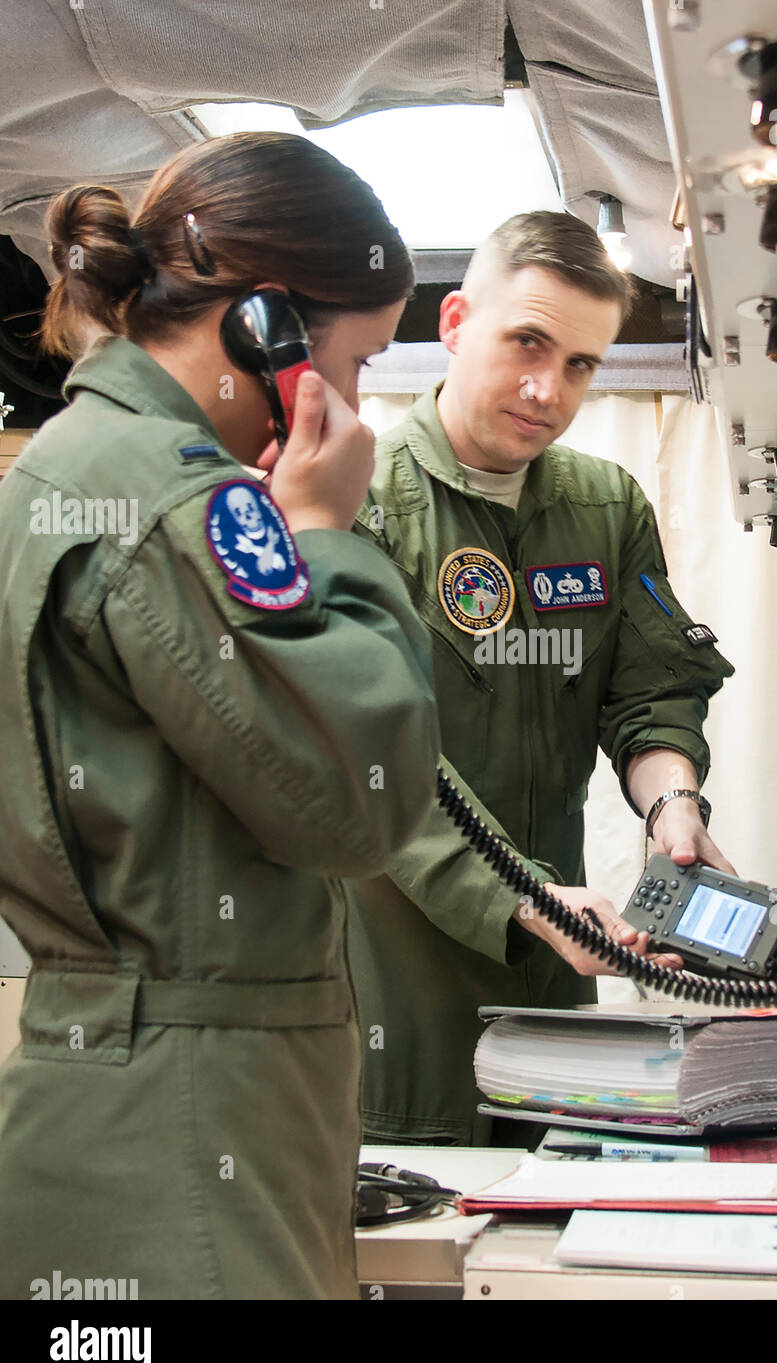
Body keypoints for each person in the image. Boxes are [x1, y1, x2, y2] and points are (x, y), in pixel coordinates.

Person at [0, 132, 441, 1299]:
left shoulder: (59, 471)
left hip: (108, 1105)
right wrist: (334, 539)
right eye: (355, 363)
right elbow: (362, 802)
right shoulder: (177, 502)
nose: (354, 406)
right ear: (270, 330)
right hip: (192, 1143)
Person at [347, 212, 736, 1145]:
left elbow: (651, 694)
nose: (546, 389)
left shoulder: (605, 509)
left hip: (561, 990)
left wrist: (671, 807)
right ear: (453, 323)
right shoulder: (358, 505)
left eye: (580, 364)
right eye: (528, 342)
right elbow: (364, 767)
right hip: (392, 991)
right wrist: (523, 900)